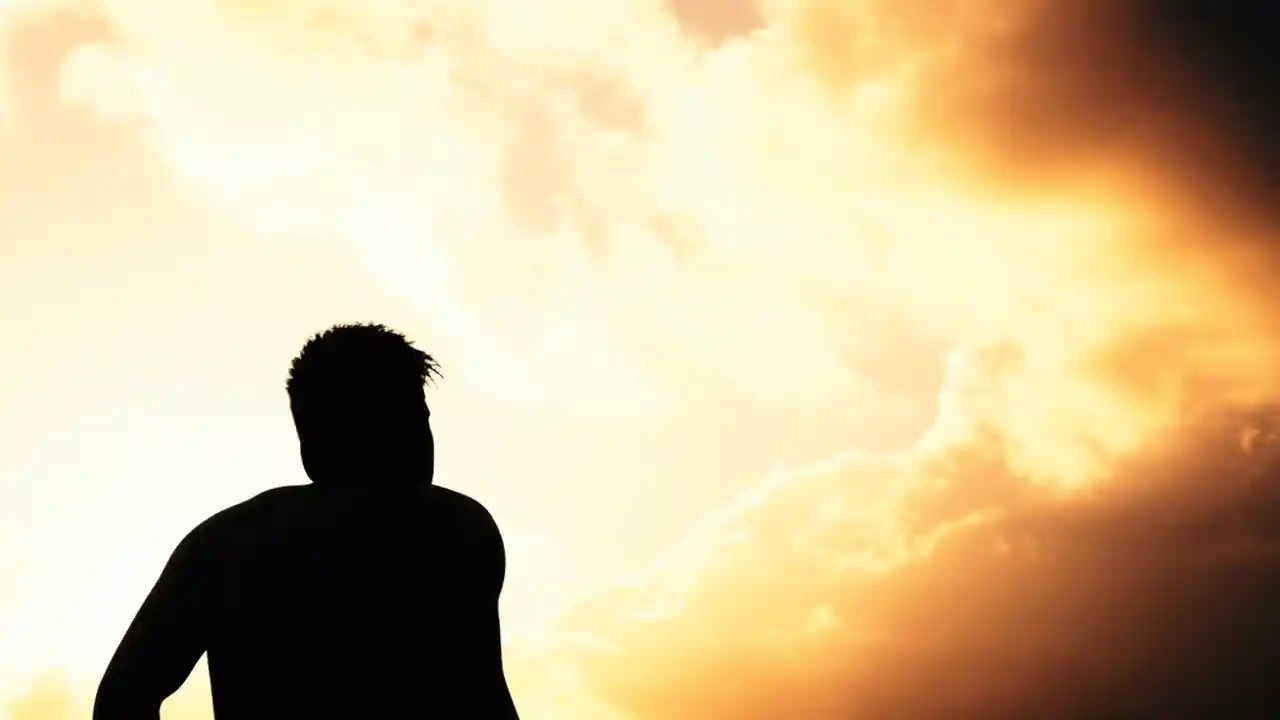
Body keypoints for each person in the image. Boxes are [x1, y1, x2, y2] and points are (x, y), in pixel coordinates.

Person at [94, 323, 519, 719]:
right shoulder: (457, 530)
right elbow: (486, 696)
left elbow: (123, 695)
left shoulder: (227, 544)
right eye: (414, 420)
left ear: (308, 444)